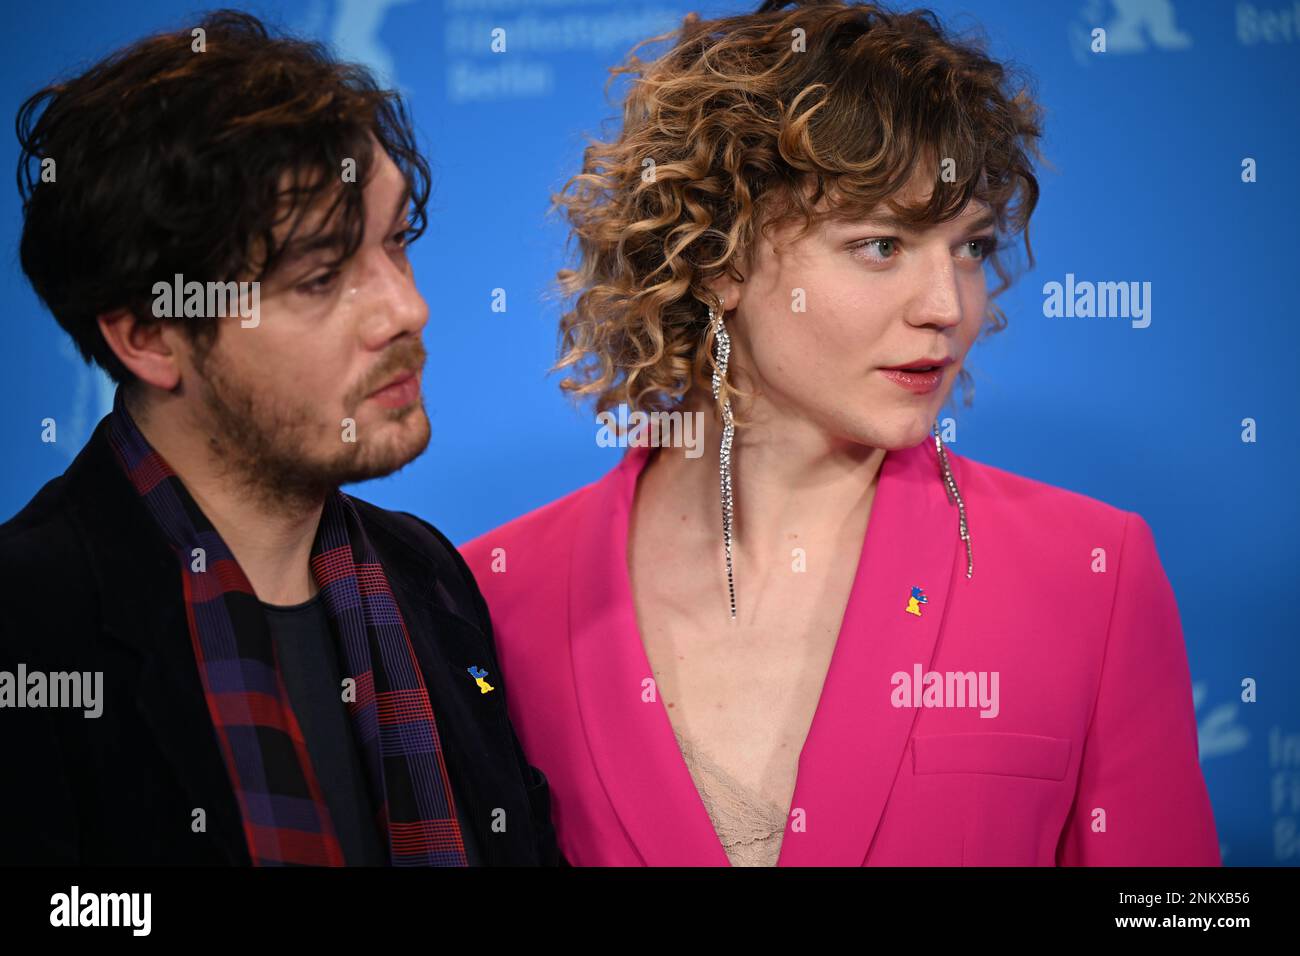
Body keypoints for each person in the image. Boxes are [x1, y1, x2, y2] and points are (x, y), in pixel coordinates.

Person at [460, 0, 1220, 866]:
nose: (947, 308)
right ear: (717, 259)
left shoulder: (1090, 573)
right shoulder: (488, 597)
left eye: (969, 247)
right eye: (882, 245)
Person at [0, 11, 558, 866]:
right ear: (151, 337)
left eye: (396, 243)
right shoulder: (31, 623)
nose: (407, 309)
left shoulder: (431, 582)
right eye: (322, 278)